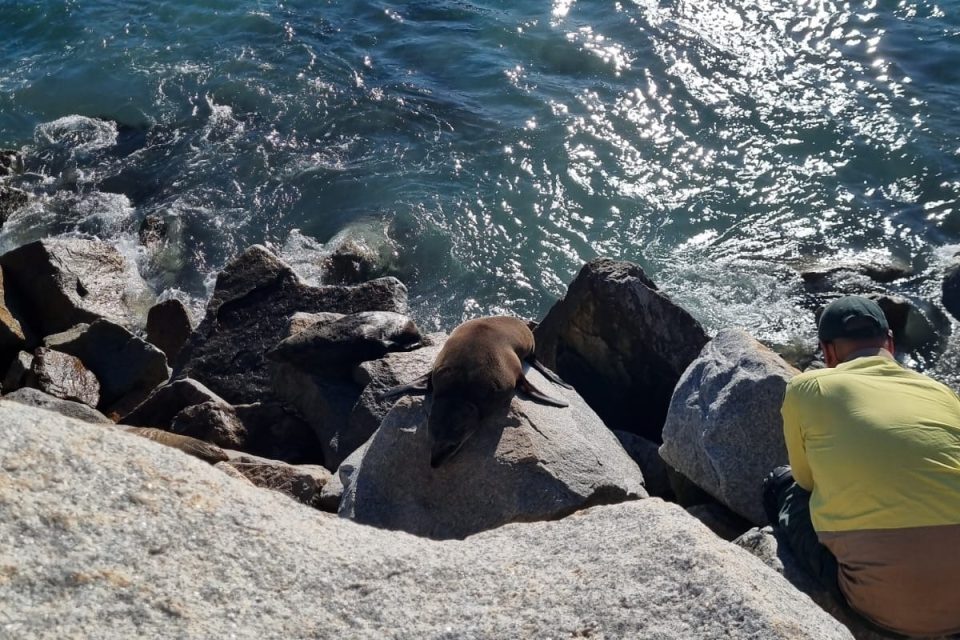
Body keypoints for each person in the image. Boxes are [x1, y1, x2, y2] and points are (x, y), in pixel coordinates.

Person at [763, 295, 960, 637]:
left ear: (828, 352)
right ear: (891, 343)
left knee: (780, 486)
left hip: (883, 609)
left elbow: (805, 482)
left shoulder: (808, 387)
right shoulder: (943, 393)